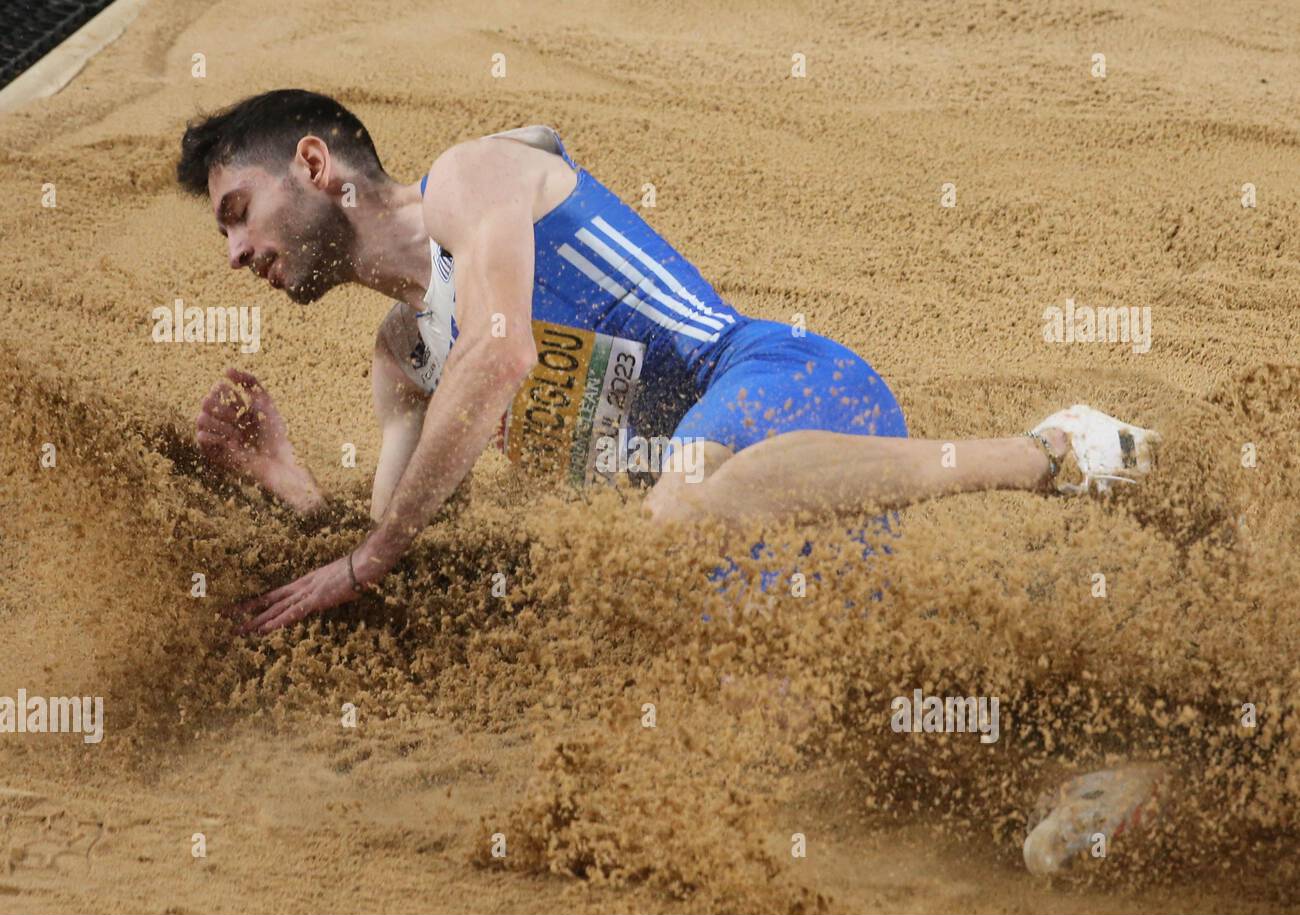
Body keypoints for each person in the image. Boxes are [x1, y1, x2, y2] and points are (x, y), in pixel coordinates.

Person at [176, 89, 1158, 637]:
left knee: (678, 507)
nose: (232, 254)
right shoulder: (400, 362)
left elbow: (502, 352)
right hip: (756, 527)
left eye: (236, 213)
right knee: (801, 686)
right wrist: (291, 485)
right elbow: (402, 552)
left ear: (313, 167)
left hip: (789, 387)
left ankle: (1048, 451)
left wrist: (374, 549)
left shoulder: (470, 180)